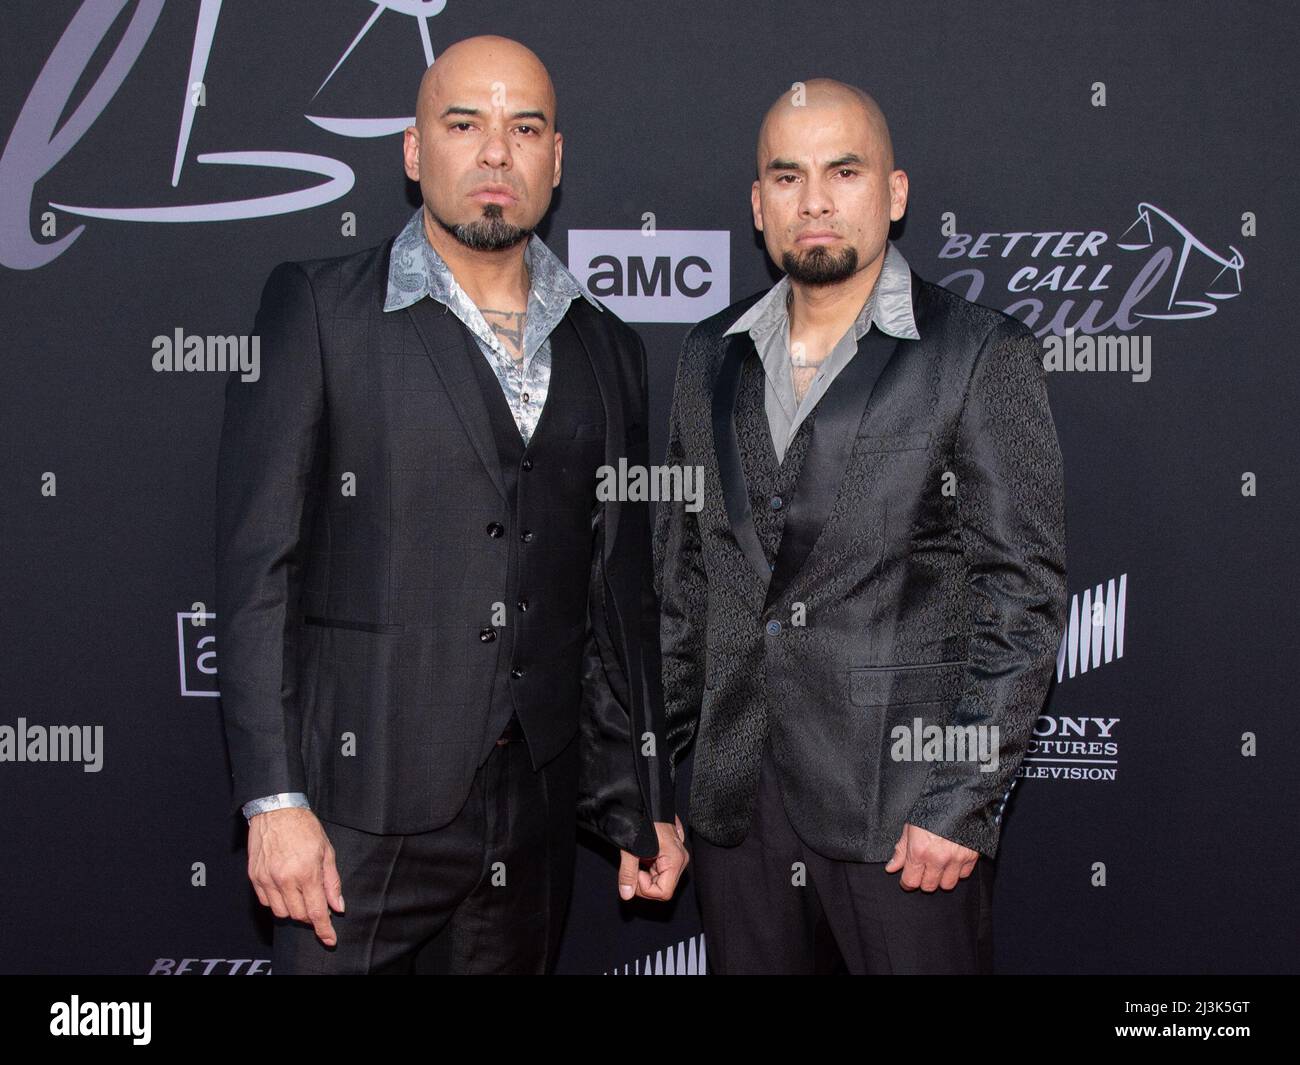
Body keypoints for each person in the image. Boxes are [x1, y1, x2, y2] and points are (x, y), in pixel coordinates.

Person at [215, 34, 686, 975]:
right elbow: (259, 570)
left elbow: (618, 596)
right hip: (352, 811)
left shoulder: (608, 349)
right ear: (412, 149)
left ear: (556, 157)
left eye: (525, 127)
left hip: (536, 810)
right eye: (463, 123)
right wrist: (274, 802)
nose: (495, 153)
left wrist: (645, 791)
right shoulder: (316, 310)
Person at [653, 79, 1067, 974]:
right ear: (759, 205)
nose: (815, 201)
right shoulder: (707, 356)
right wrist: (662, 778)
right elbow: (684, 585)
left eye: (845, 171)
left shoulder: (978, 353)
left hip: (904, 817)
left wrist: (962, 798)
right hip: (737, 812)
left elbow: (1021, 597)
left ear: (896, 192)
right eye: (788, 176)